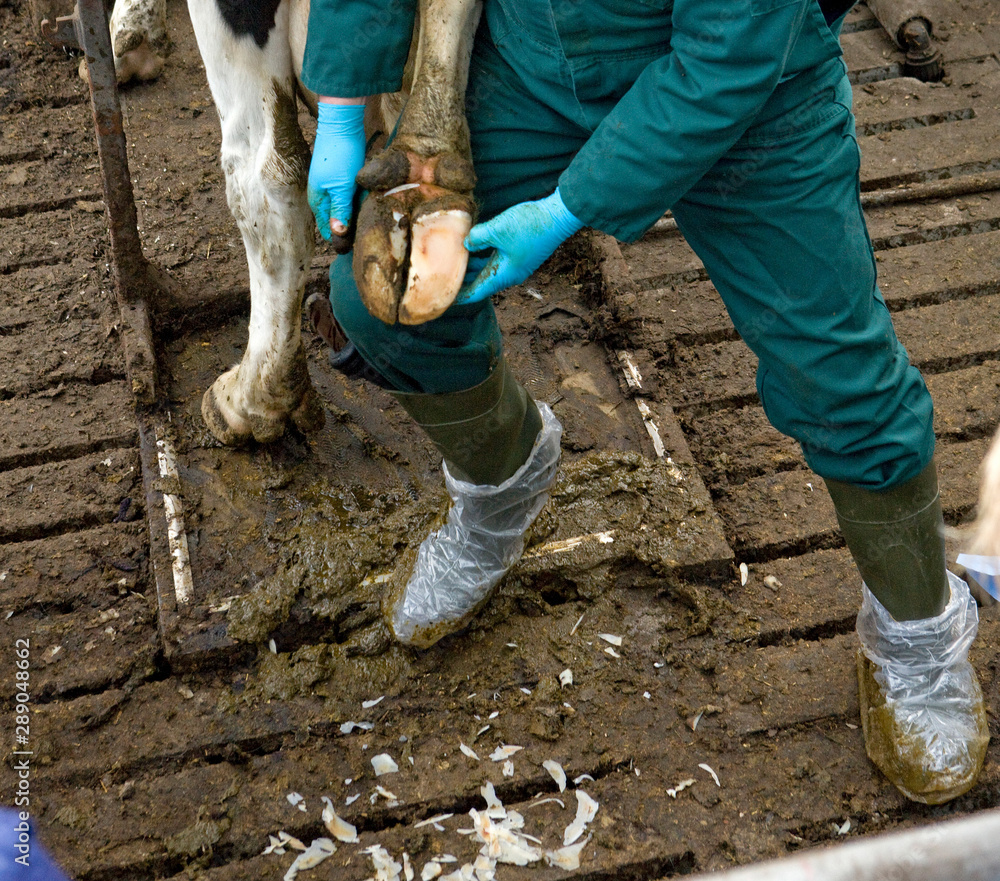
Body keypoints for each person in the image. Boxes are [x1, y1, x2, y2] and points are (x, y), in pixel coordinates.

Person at [300, 0, 989, 804]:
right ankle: (500, 486)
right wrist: (344, 110)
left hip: (752, 84)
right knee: (381, 294)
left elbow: (730, 53)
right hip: (534, 60)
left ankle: (915, 639)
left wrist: (564, 212)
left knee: (841, 376)